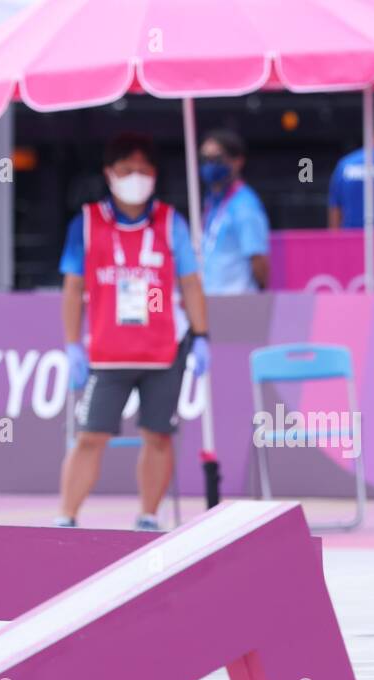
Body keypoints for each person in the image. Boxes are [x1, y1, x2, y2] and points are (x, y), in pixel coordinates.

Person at [55, 133, 210, 532]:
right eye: (127, 170)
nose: (135, 178)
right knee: (90, 436)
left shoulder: (171, 222)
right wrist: (72, 344)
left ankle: (148, 516)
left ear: (155, 175)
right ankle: (66, 517)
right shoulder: (86, 224)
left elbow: (190, 282)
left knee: (158, 436)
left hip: (163, 348)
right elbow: (73, 289)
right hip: (109, 351)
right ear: (109, 174)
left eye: (143, 170)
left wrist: (202, 334)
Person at [198, 130, 270, 294]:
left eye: (215, 159)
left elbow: (258, 260)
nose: (209, 165)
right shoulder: (211, 201)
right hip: (211, 300)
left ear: (237, 161)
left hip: (237, 303)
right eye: (204, 159)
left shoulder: (245, 204)